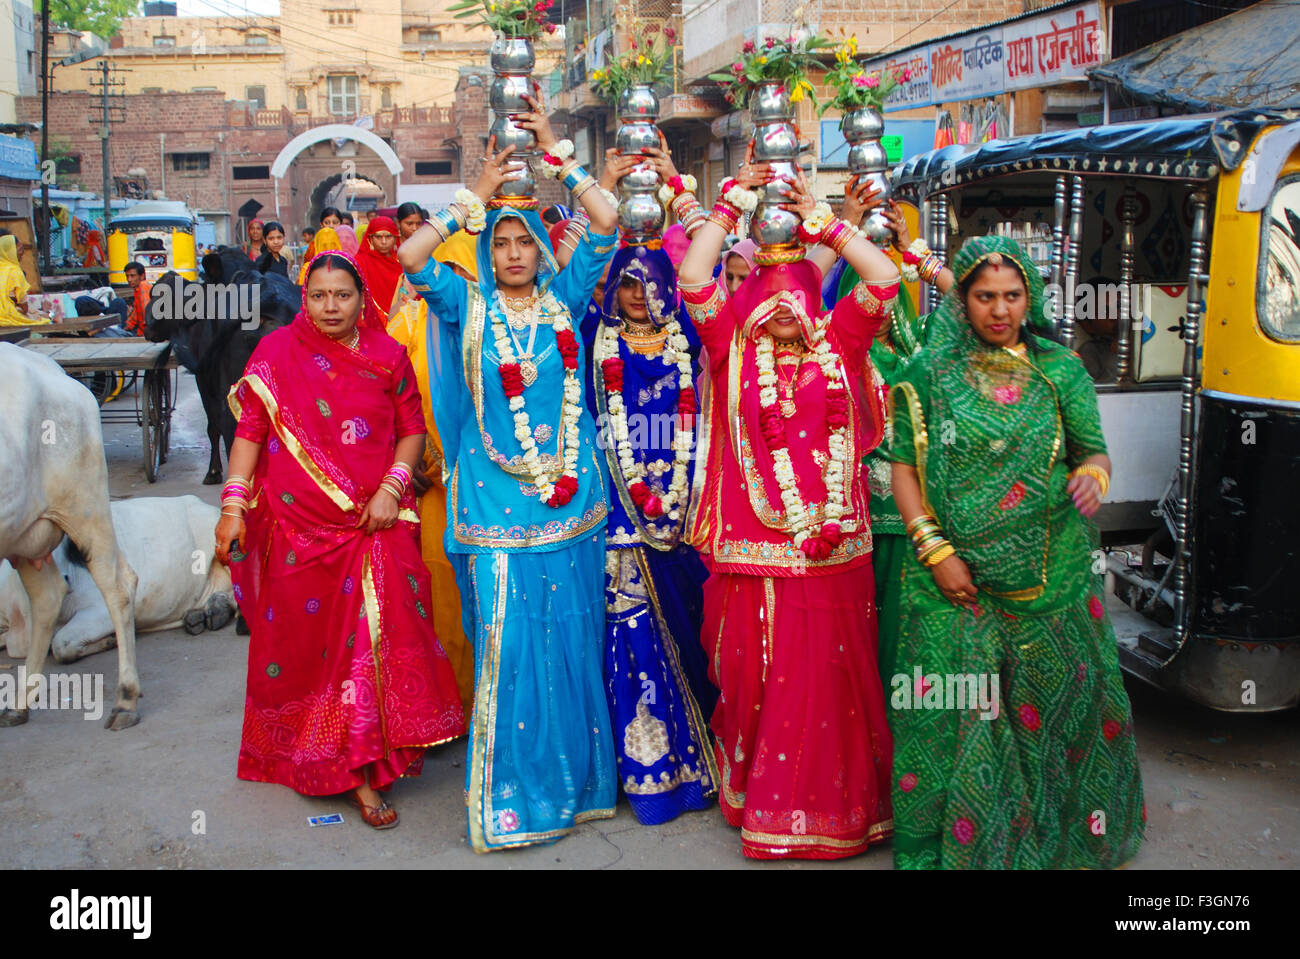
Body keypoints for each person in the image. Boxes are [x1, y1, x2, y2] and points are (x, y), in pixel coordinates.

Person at [397, 96, 621, 853]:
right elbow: (411, 260)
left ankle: (577, 787)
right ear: (488, 252)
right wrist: (473, 195)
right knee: (506, 643)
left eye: (526, 242)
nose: (516, 253)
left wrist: (559, 154)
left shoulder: (565, 297)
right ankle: (510, 800)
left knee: (568, 637)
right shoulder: (467, 302)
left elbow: (608, 220)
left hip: (569, 500)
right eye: (503, 243)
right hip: (492, 502)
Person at [887, 234, 1145, 869]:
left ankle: (1058, 836)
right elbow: (903, 469)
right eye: (983, 297)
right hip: (953, 582)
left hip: (1048, 580)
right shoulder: (929, 372)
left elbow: (1093, 449)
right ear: (962, 302)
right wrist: (934, 549)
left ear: (1030, 298)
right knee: (950, 705)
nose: (999, 310)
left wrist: (1095, 478)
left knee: (1052, 711)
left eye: (1012, 296)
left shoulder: (1060, 368)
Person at [677, 156, 901, 860]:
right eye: (765, 298)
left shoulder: (841, 342)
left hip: (835, 551)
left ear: (813, 301)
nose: (780, 307)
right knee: (754, 680)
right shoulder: (729, 351)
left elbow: (884, 278)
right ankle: (761, 800)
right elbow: (693, 279)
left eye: (794, 295)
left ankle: (841, 810)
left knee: (832, 681)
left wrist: (826, 221)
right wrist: (730, 207)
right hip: (754, 554)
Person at [214, 249, 466, 829]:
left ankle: (362, 769)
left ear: (360, 299)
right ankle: (319, 748)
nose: (331, 306)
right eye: (320, 295)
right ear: (306, 297)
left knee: (375, 637)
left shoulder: (386, 354)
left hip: (375, 521)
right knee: (308, 646)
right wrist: (232, 506)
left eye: (343, 295)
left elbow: (410, 431)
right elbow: (251, 429)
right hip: (299, 527)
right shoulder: (277, 353)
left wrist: (392, 487)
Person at [582, 149, 719, 824]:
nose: (640, 294)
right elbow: (582, 261)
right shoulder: (592, 339)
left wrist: (677, 188)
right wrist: (600, 185)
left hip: (688, 517)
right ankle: (646, 776)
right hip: (621, 518)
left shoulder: (689, 339)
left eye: (651, 281)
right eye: (627, 284)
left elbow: (705, 274)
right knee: (630, 642)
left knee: (692, 637)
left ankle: (700, 768)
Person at [383, 234, 483, 715]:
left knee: (478, 590)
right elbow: (382, 400)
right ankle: (436, 706)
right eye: (443, 271)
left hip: (487, 484)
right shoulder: (404, 325)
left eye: (462, 273)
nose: (450, 283)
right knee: (429, 590)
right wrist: (402, 462)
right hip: (422, 487)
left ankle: (475, 704)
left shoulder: (495, 327)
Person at [355, 214, 402, 329]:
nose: (384, 241)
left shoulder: (403, 262)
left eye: (388, 236)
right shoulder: (360, 262)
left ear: (396, 238)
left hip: (401, 321)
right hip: (370, 322)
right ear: (370, 238)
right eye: (378, 237)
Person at [0, 234, 42, 326]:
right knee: (41, 316)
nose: (22, 253)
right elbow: (25, 307)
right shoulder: (15, 272)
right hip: (7, 316)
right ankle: (54, 316)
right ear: (10, 252)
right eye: (20, 250)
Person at [123, 261, 153, 335]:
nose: (129, 279)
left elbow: (146, 309)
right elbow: (135, 315)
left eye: (132, 276)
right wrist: (126, 327)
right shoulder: (137, 290)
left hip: (146, 333)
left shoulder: (143, 286)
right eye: (127, 276)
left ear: (142, 276)